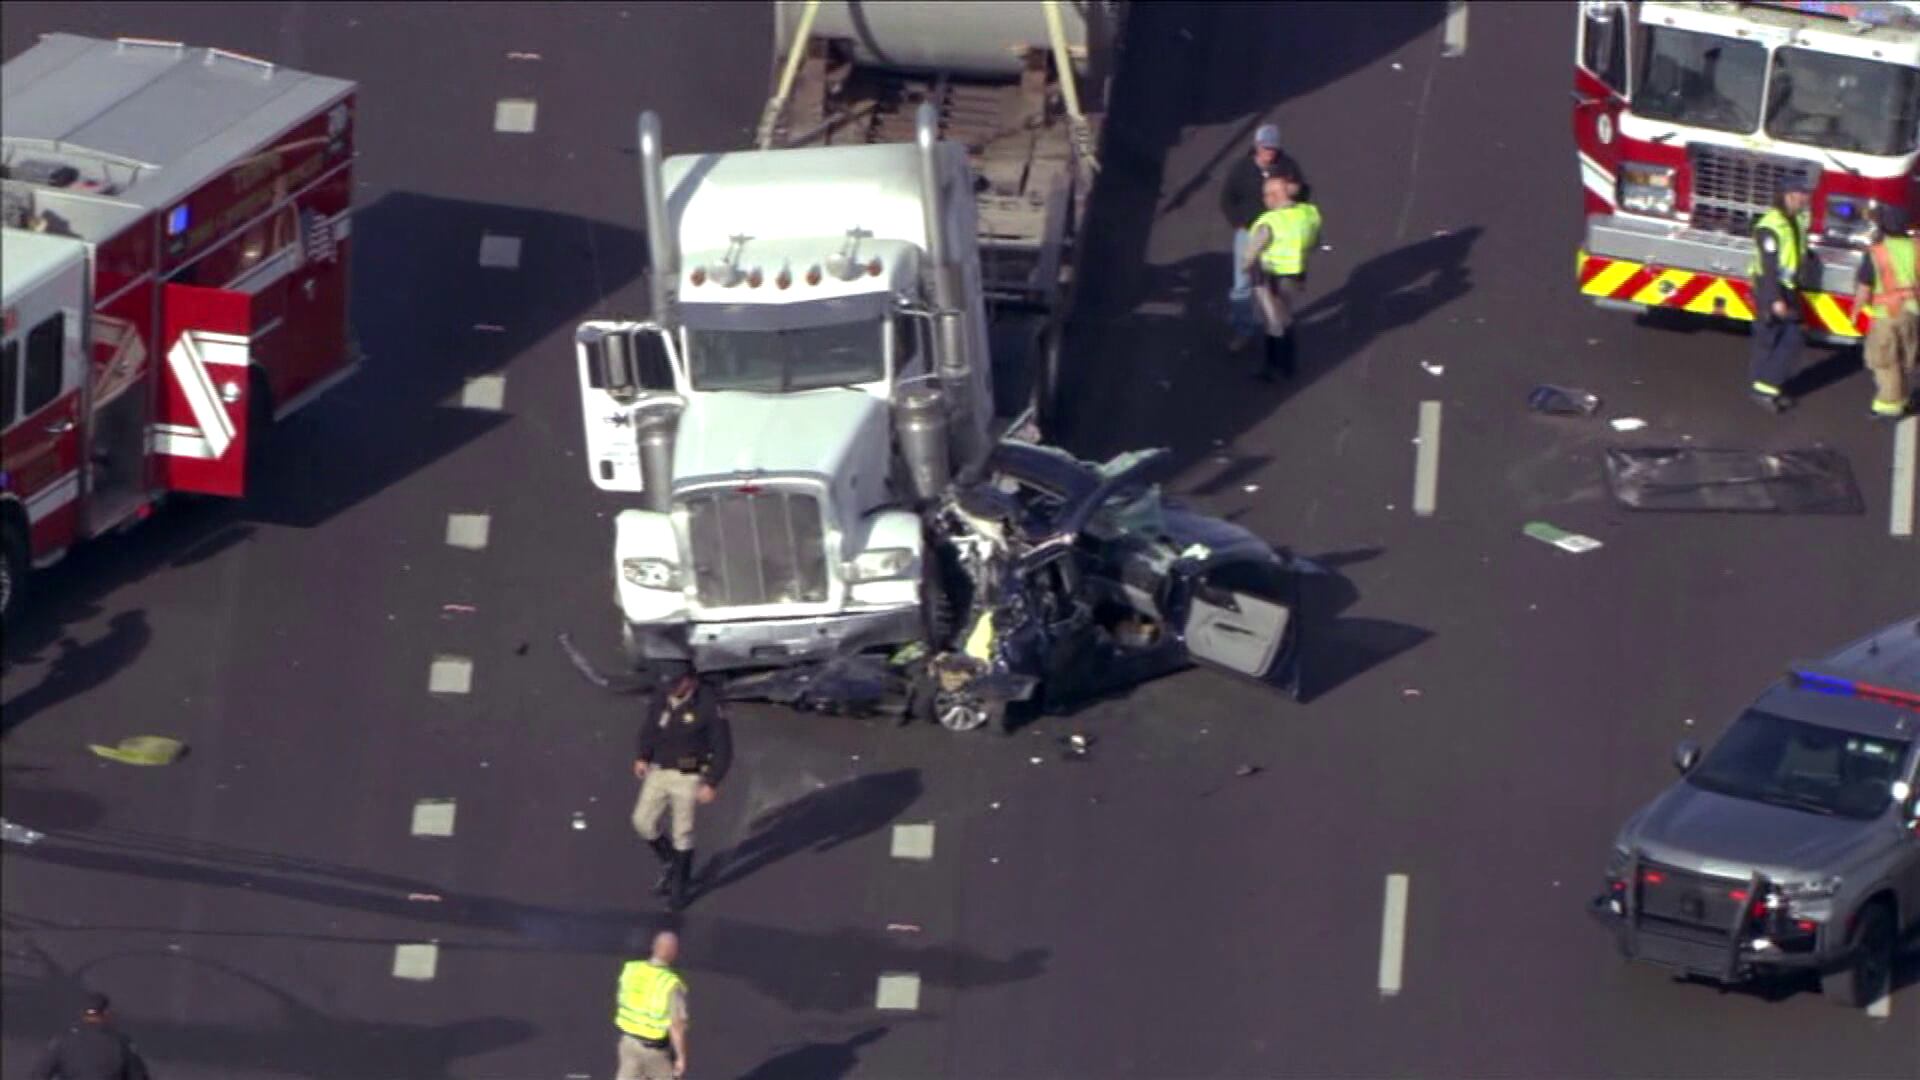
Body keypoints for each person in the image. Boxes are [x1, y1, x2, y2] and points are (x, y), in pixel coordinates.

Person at [633, 670, 732, 911]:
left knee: (682, 831)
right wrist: (642, 756)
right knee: (642, 822)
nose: (671, 688)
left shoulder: (709, 705)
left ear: (690, 681)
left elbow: (723, 749)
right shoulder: (663, 697)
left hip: (689, 773)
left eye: (676, 683)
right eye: (668, 684)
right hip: (660, 768)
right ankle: (670, 862)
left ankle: (679, 887)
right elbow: (650, 728)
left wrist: (711, 781)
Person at [1220, 122, 1307, 350]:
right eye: (1266, 148)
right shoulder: (1241, 170)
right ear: (1257, 146)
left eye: (1274, 149)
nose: (1270, 153)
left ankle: (1278, 327)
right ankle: (1243, 330)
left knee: (1280, 284)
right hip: (1249, 234)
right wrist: (1239, 223)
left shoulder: (1287, 167)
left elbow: (1304, 193)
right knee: (1241, 286)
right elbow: (1227, 199)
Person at [1244, 175, 1323, 381]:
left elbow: (1251, 253)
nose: (1264, 199)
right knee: (1285, 318)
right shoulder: (1308, 214)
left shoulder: (1269, 222)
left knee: (1274, 323)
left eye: (1266, 194)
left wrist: (1246, 265)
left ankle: (1272, 367)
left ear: (1275, 196)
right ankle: (1288, 365)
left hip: (1271, 278)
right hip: (1296, 276)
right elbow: (1315, 242)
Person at [1747, 176, 1814, 413]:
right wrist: (1774, 299)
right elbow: (1768, 267)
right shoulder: (1770, 226)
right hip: (1771, 288)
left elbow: (1797, 249)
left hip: (1788, 288)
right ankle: (1765, 388)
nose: (1806, 199)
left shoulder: (1794, 220)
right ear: (1788, 196)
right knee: (1783, 337)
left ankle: (1763, 387)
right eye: (1801, 194)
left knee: (1775, 339)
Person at [1851, 204, 1918, 420]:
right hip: (1913, 313)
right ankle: (1901, 398)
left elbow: (1864, 286)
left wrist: (1855, 312)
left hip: (1887, 316)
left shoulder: (1877, 252)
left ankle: (1888, 406)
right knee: (1905, 358)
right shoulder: (1916, 247)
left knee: (1884, 361)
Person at [615, 931, 690, 1080]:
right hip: (654, 1051)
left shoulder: (631, 970)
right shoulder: (669, 984)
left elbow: (622, 998)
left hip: (628, 1043)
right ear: (673, 952)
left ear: (653, 947)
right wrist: (681, 1058)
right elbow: (676, 1025)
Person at [30, 994, 151, 1080]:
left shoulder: (63, 1041)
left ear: (83, 1014)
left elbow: (39, 1075)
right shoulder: (122, 1043)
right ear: (106, 1013)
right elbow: (138, 1076)